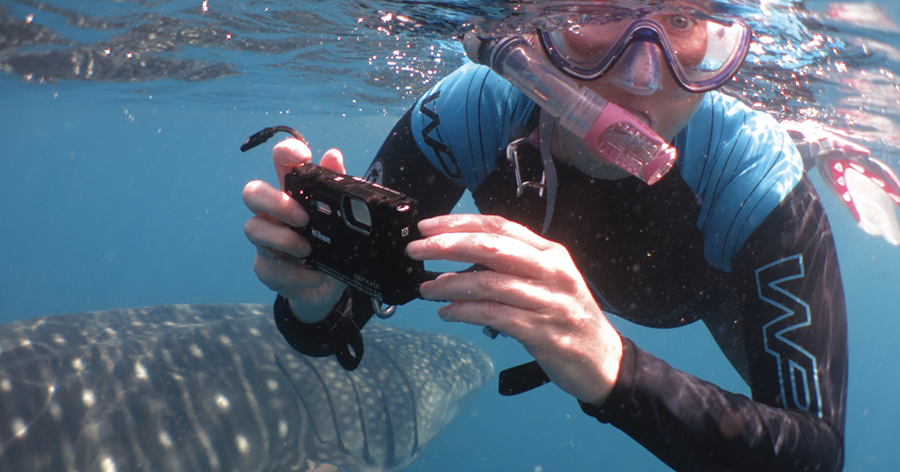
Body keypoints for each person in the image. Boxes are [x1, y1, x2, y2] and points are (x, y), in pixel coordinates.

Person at [242, 1, 848, 470]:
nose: (641, 76)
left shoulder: (754, 177)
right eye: (600, 12)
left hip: (704, 295)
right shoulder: (470, 110)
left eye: (682, 20)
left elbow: (815, 453)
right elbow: (331, 322)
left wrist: (615, 369)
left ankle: (822, 145)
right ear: (532, 34)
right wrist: (314, 300)